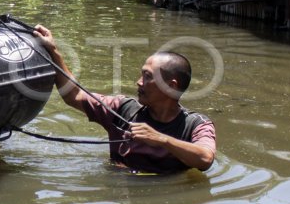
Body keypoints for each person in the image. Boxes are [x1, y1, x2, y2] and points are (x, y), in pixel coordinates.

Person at [33, 25, 216, 173]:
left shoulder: (195, 125)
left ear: (171, 85)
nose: (139, 82)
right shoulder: (122, 109)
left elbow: (205, 159)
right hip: (119, 191)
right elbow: (76, 96)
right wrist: (53, 52)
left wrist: (161, 139)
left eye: (147, 76)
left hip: (160, 196)